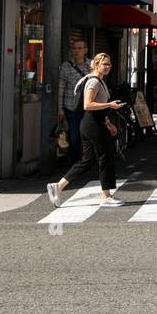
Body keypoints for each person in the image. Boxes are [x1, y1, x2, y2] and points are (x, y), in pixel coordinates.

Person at [47, 53, 127, 208]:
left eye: (109, 64)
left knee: (88, 160)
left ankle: (58, 186)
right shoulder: (93, 82)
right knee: (106, 157)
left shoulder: (99, 81)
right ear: (96, 65)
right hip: (92, 124)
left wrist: (108, 123)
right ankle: (106, 196)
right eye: (104, 64)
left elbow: (97, 108)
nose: (108, 67)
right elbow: (88, 105)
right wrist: (109, 105)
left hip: (93, 123)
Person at [56, 36, 90, 164]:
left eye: (80, 48)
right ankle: (74, 163)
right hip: (71, 107)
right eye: (74, 48)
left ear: (85, 50)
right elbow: (61, 89)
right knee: (74, 136)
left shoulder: (91, 65)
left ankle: (87, 161)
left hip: (88, 107)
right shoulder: (66, 67)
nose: (77, 51)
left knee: (88, 136)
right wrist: (60, 110)